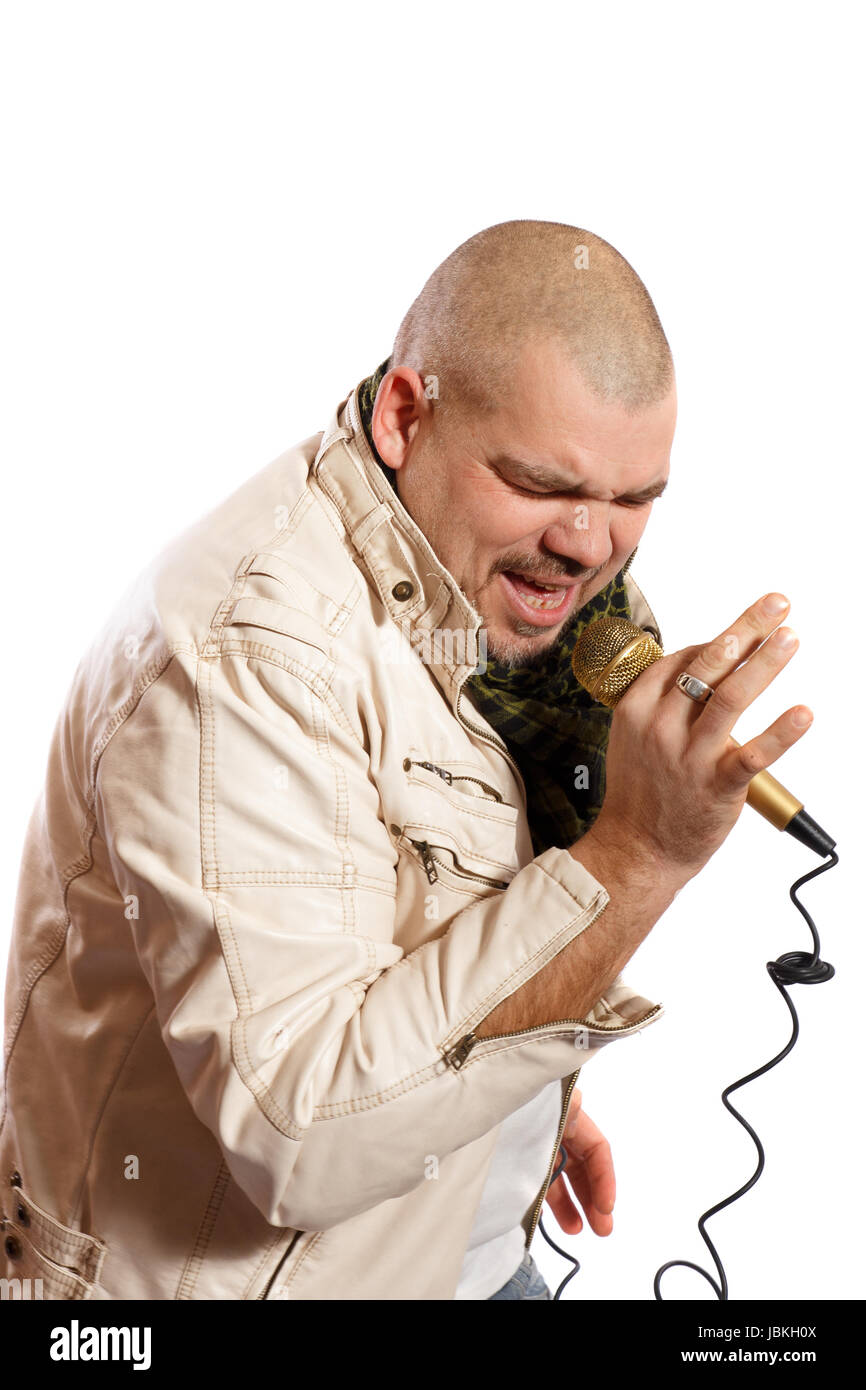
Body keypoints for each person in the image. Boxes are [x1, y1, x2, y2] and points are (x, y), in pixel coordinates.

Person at [0, 221, 810, 1301]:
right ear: (403, 415)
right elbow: (298, 1134)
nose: (586, 543)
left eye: (633, 500)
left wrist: (521, 1114)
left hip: (466, 1262)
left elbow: (418, 912)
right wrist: (640, 855)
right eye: (540, 482)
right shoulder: (251, 657)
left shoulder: (533, 595)